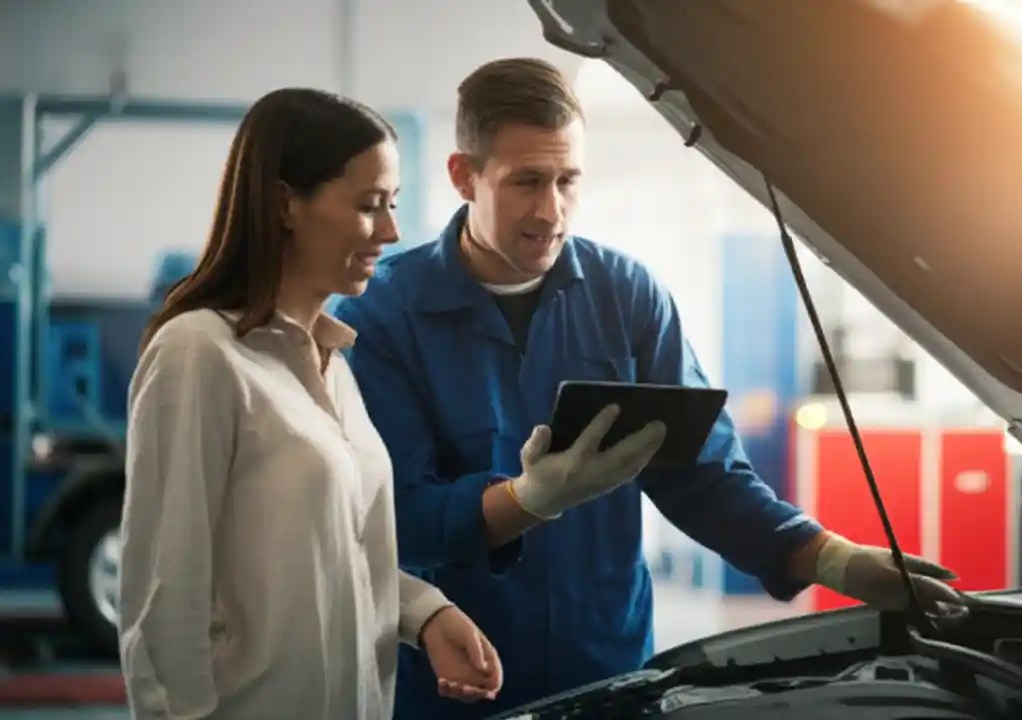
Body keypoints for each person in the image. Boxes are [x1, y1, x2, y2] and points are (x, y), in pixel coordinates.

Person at [333, 58, 963, 719]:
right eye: (527, 183)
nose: (552, 211)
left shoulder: (626, 297)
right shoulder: (380, 318)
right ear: (465, 175)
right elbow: (392, 520)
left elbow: (702, 477)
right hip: (455, 684)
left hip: (607, 670)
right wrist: (525, 502)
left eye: (568, 181)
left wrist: (830, 559)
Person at [117, 87, 505, 719]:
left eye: (393, 205)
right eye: (368, 205)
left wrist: (426, 613)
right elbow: (164, 598)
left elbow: (339, 554)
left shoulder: (333, 366)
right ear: (284, 203)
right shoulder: (200, 353)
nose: (392, 230)